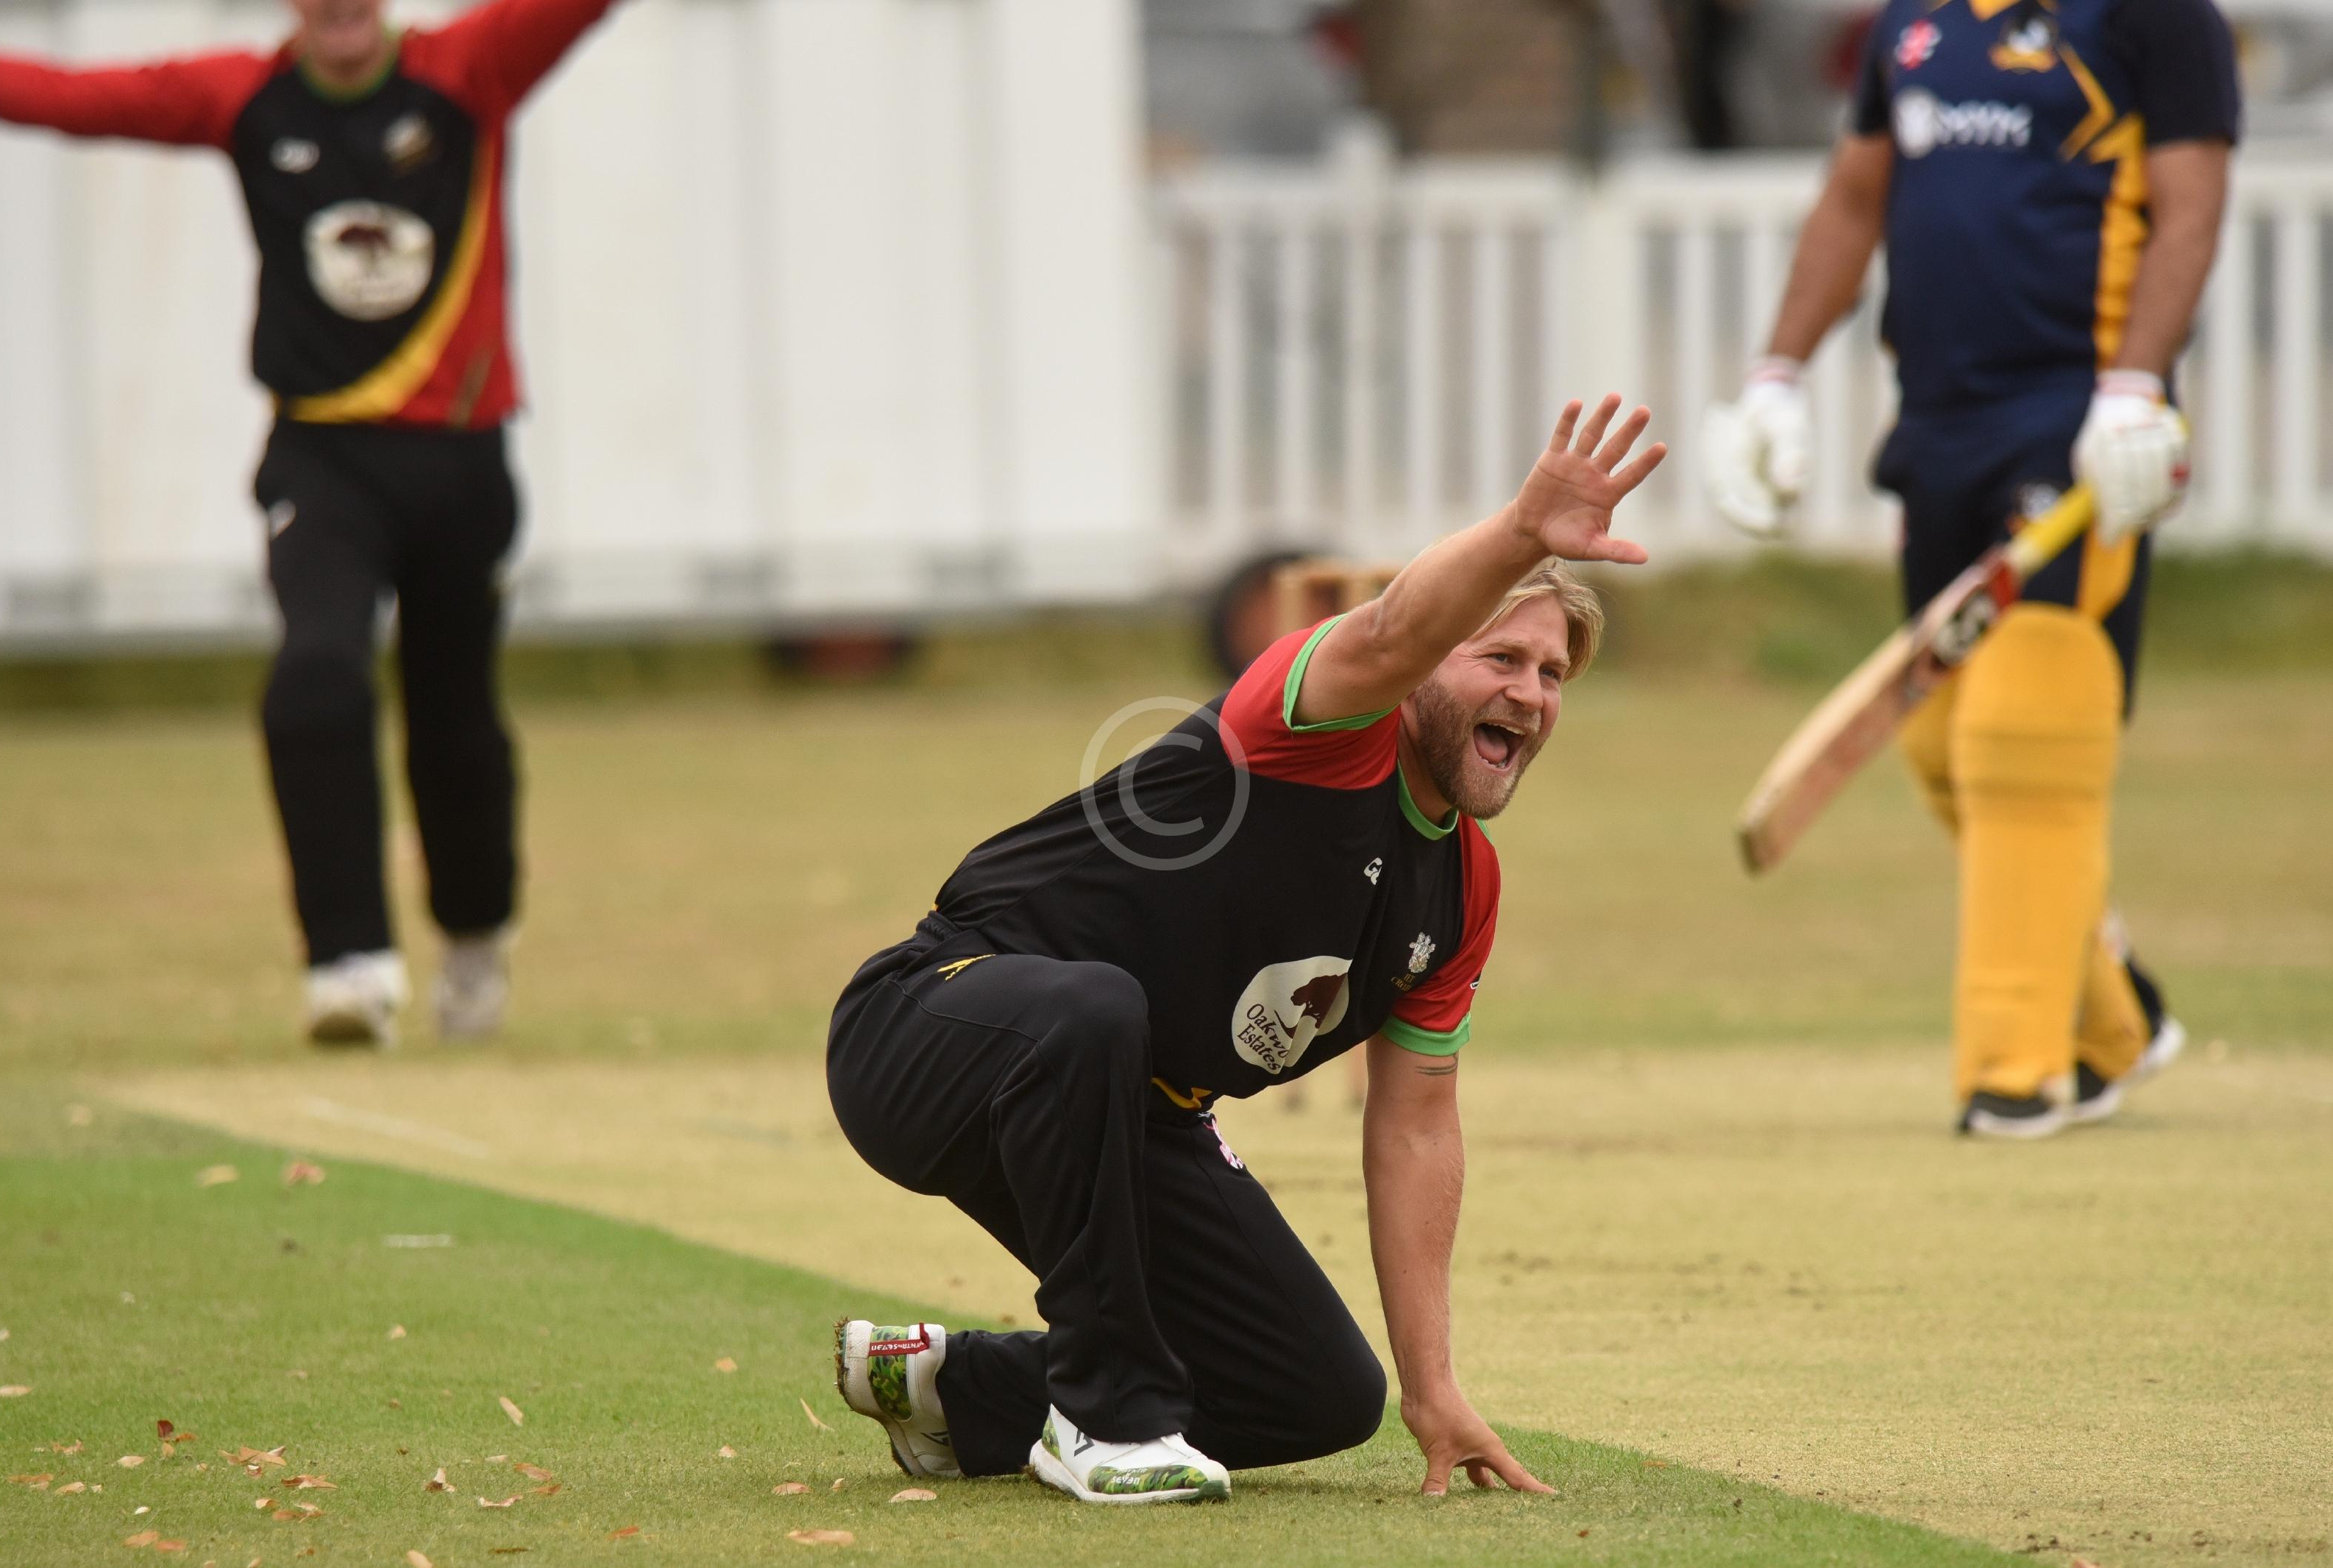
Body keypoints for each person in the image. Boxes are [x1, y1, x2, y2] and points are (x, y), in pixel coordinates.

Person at [825, 397, 1664, 1503]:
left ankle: (952, 1389)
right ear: (1422, 670)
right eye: (1500, 656)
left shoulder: (1464, 893)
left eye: (1554, 675)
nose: (1531, 693)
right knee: (1096, 1009)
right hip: (929, 1027)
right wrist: (1521, 533)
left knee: (1311, 1393)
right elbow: (1388, 631)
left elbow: (1415, 1127)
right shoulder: (1311, 730)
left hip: (1132, 1109)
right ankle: (1105, 1425)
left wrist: (1433, 1387)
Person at [0, 0, 627, 1045]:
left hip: (460, 461)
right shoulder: (243, 97)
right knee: (315, 677)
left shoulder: (467, 71)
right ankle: (349, 967)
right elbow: (68, 99)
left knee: (453, 723)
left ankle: (473, 938)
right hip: (323, 459)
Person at [1705, 0, 2239, 1138]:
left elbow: (2192, 205)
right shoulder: (1915, 23)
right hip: (1940, 427)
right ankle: (2113, 1021)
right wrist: (1775, 377)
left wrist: (2139, 386)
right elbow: (1856, 199)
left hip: (2080, 417)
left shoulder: (2155, 16)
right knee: (1942, 734)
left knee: (2030, 720)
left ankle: (2018, 1071)